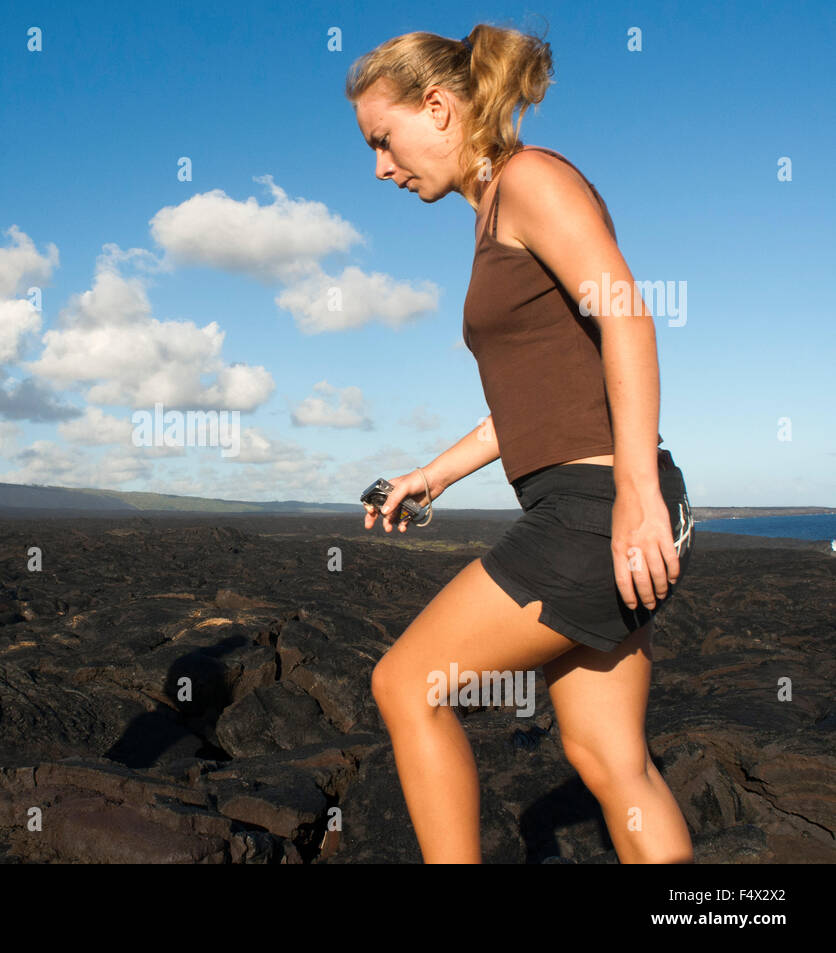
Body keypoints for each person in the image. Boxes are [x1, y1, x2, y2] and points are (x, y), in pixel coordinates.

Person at [349, 25, 696, 862]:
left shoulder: (529, 178)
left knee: (405, 684)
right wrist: (430, 475)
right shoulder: (494, 214)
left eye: (382, 140)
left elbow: (627, 312)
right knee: (609, 758)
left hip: (598, 509)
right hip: (595, 501)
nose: (380, 168)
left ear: (436, 107)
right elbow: (537, 403)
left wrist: (638, 498)